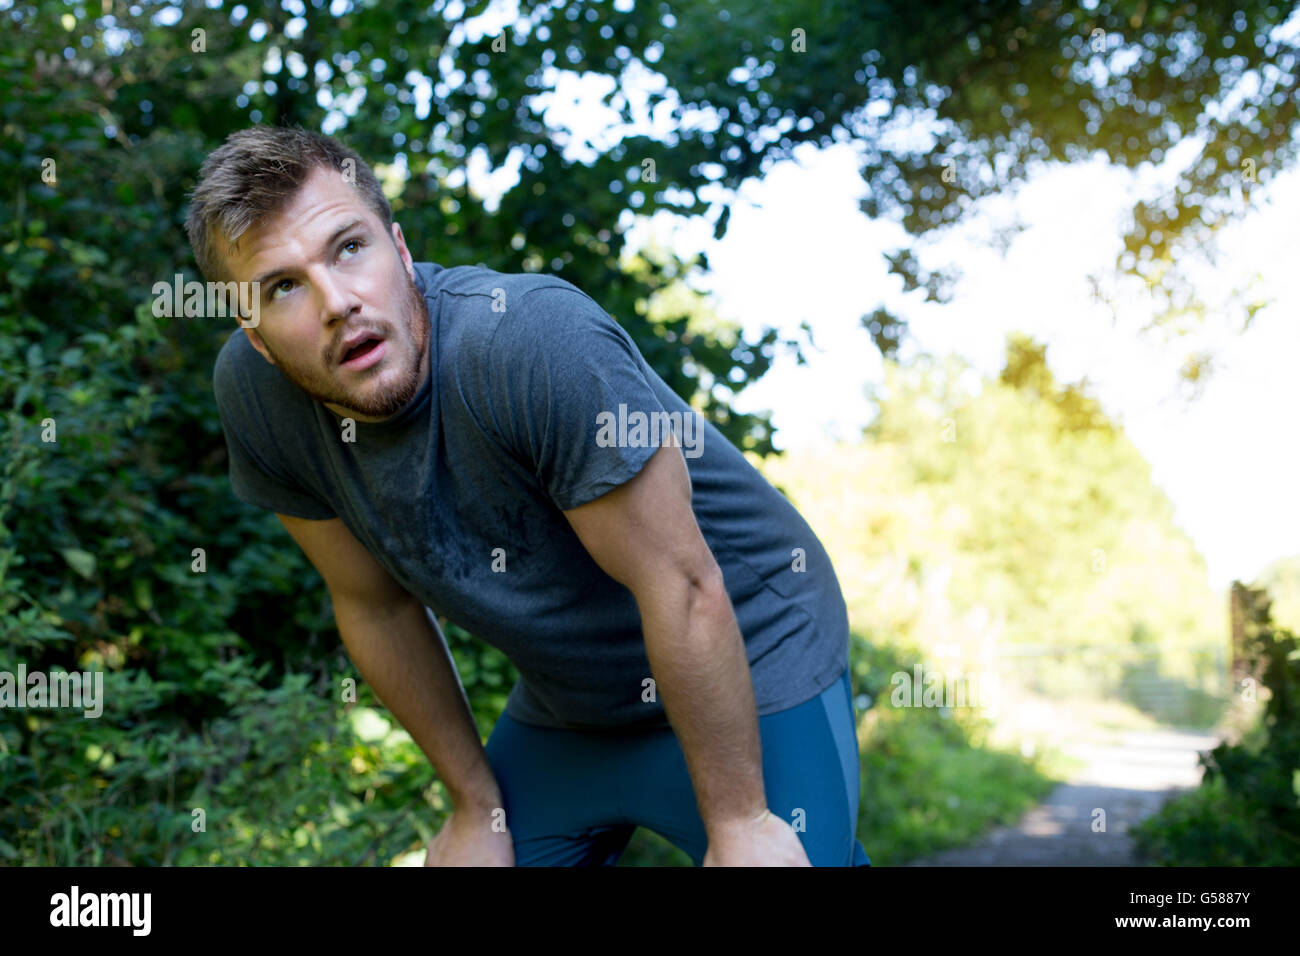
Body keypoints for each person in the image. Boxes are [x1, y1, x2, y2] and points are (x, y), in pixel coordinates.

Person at [189, 124, 871, 867]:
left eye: (349, 248)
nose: (337, 302)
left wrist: (742, 823)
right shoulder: (256, 399)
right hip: (569, 705)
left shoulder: (531, 343)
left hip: (752, 642)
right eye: (283, 286)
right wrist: (472, 806)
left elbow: (680, 585)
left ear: (401, 249)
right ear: (253, 334)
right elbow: (374, 604)